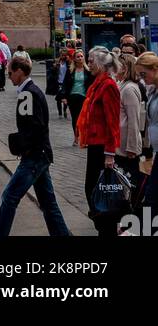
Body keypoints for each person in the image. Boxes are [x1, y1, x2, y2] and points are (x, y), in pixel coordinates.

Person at [0, 54, 71, 238]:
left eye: (10, 73)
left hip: (34, 155)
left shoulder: (27, 94)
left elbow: (33, 127)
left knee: (10, 196)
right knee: (48, 203)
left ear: (20, 71)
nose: (8, 76)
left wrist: (22, 145)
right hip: (40, 153)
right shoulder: (30, 91)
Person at [78, 46, 123, 239]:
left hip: (102, 147)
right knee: (92, 189)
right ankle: (103, 225)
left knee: (99, 190)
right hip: (94, 144)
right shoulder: (96, 83)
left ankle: (107, 228)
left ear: (102, 64)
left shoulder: (109, 85)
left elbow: (113, 122)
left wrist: (110, 154)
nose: (88, 63)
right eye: (88, 60)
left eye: (91, 60)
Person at [116, 51, 144, 189]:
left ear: (125, 68)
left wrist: (132, 147)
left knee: (133, 183)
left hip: (127, 147)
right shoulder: (122, 85)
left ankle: (142, 210)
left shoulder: (129, 89)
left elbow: (134, 120)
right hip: (120, 144)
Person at [135, 52, 158, 220]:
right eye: (139, 75)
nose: (142, 78)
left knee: (152, 198)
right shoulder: (152, 90)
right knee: (151, 197)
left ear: (155, 69)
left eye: (144, 74)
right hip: (156, 150)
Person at [63, 49, 90, 144]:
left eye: (81, 56)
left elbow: (91, 84)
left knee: (84, 118)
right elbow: (65, 84)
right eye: (78, 56)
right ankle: (76, 137)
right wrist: (64, 97)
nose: (80, 58)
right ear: (74, 59)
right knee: (75, 118)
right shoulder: (70, 70)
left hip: (84, 97)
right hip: (72, 97)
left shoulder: (88, 71)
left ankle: (84, 138)